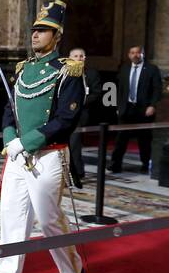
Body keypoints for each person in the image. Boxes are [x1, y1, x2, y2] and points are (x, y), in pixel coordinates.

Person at [0, 1, 87, 273]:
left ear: (57, 35)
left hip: (48, 154)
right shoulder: (24, 69)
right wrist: (9, 139)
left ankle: (73, 271)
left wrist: (28, 142)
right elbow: (9, 109)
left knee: (49, 217)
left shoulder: (69, 71)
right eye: (34, 30)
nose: (36, 35)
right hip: (17, 154)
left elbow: (66, 118)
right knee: (12, 216)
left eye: (43, 30)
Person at [109, 45, 163, 174]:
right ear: (129, 55)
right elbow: (120, 89)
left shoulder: (151, 69)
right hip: (126, 108)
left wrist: (152, 105)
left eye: (138, 53)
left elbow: (157, 89)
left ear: (142, 54)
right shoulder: (124, 69)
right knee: (121, 138)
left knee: (144, 139)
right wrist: (118, 106)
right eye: (132, 53)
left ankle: (146, 164)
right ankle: (115, 164)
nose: (135, 55)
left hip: (144, 109)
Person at [65, 46, 101, 189]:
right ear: (69, 58)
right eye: (75, 56)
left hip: (81, 113)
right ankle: (70, 171)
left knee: (74, 143)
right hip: (64, 113)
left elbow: (96, 93)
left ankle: (76, 173)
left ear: (84, 58)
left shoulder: (91, 74)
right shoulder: (65, 73)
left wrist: (79, 103)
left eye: (81, 56)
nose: (78, 58)